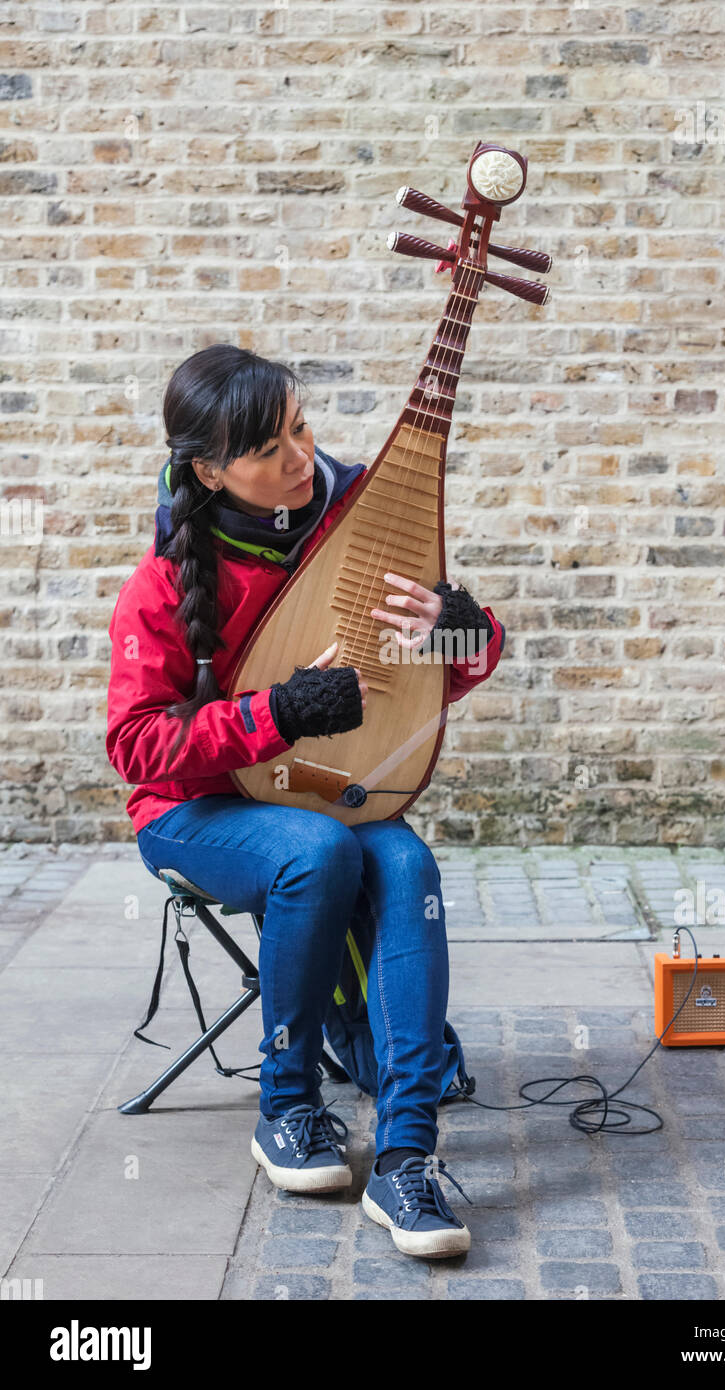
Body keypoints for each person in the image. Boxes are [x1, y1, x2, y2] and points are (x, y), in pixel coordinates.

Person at [105, 344, 507, 1260]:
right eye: (269, 447)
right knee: (317, 853)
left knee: (406, 859)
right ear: (209, 470)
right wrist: (275, 714)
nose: (301, 457)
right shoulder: (165, 582)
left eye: (302, 426)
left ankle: (409, 1156)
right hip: (195, 814)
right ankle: (286, 1105)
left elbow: (452, 668)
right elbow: (137, 751)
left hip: (327, 795)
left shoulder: (354, 523)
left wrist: (459, 631)